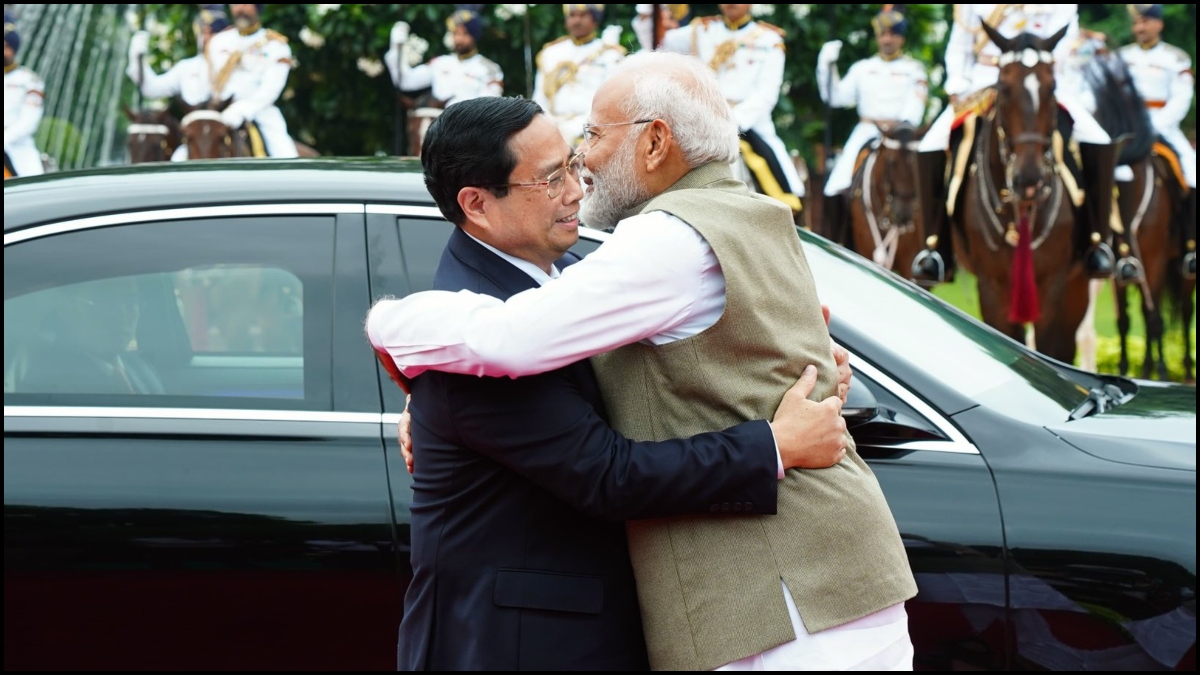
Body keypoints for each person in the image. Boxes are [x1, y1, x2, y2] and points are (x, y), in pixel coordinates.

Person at [370, 51, 916, 671]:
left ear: (656, 142)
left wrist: (389, 328)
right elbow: (587, 436)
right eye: (553, 175)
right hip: (530, 638)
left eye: (588, 146)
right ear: (476, 204)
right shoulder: (715, 217)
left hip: (793, 601)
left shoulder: (659, 243)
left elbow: (509, 340)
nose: (581, 177)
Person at [914, 4, 1120, 284]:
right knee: (929, 144)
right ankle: (935, 248)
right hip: (986, 81)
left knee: (1098, 138)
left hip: (1040, 80)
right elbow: (959, 47)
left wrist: (1038, 70)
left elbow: (1065, 45)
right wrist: (957, 87)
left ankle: (1097, 241)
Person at [655, 4, 805, 215]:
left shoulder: (769, 40)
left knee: (782, 185)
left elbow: (766, 95)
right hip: (701, 118)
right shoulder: (702, 30)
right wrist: (648, 11)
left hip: (746, 124)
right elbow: (657, 41)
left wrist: (730, 122)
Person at [816, 6, 929, 236]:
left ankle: (931, 247)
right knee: (835, 184)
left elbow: (915, 107)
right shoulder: (862, 68)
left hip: (901, 137)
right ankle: (834, 239)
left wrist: (899, 130)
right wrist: (826, 66)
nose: (887, 39)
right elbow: (835, 97)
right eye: (883, 34)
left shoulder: (914, 70)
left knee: (924, 185)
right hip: (866, 131)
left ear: (901, 38)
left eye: (893, 34)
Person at [1118, 3, 1196, 279]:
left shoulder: (1176, 59)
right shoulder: (1121, 57)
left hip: (1163, 126)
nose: (1140, 28)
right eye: (1137, 23)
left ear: (1159, 24)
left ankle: (1190, 244)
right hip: (1125, 130)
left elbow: (1181, 98)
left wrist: (1153, 126)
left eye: (1146, 22)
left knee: (1192, 170)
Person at [126, 5, 231, 161]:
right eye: (203, 31)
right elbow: (152, 88)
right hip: (194, 138)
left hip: (229, 131)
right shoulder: (186, 68)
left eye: (213, 31)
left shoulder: (235, 63)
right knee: (176, 162)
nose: (207, 37)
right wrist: (136, 60)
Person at [204, 3, 298, 158]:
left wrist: (240, 111)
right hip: (219, 110)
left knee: (285, 156)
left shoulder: (276, 45)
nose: (240, 9)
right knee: (179, 156)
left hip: (260, 112)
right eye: (235, 4)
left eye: (246, 4)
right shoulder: (218, 41)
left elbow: (269, 91)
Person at [532, 4, 625, 149]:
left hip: (590, 132)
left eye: (583, 15)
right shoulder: (550, 53)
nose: (576, 20)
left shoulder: (610, 56)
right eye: (572, 15)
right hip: (550, 129)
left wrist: (576, 129)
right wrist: (546, 126)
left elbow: (607, 101)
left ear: (595, 19)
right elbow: (540, 97)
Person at [384, 5, 503, 109]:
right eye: (455, 33)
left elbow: (489, 109)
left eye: (465, 33)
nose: (459, 39)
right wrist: (396, 47)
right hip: (437, 130)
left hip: (471, 131)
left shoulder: (489, 69)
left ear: (474, 36)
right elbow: (405, 82)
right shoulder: (440, 63)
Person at [4, 11, 46, 178]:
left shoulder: (29, 80)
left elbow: (29, 121)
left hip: (18, 147)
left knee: (36, 187)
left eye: (6, 46)